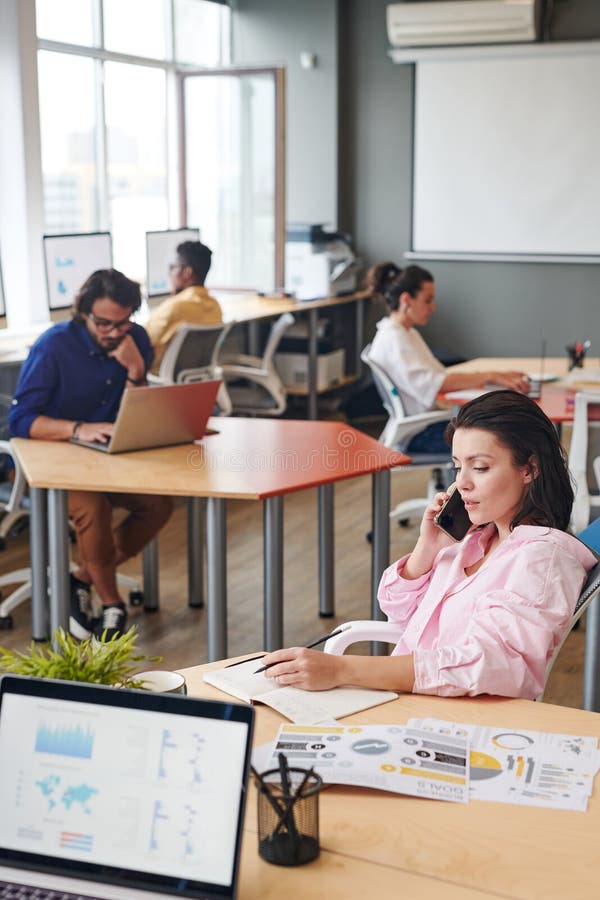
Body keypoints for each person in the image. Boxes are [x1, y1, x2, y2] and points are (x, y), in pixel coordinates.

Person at [259, 391, 596, 700]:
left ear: (530, 469)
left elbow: (493, 665)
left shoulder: (541, 558)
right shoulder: (476, 540)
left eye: (480, 467)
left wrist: (343, 669)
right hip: (408, 699)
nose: (461, 483)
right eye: (457, 466)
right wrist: (428, 548)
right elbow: (398, 610)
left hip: (451, 719)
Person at [9, 269, 173, 641]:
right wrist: (76, 429)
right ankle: (113, 603)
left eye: (123, 322)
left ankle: (80, 578)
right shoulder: (53, 346)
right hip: (49, 460)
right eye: (103, 323)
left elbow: (137, 411)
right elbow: (20, 420)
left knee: (159, 505)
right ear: (83, 312)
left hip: (105, 459)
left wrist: (135, 369)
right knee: (93, 508)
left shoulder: (135, 339)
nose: (114, 332)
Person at [367, 262, 530, 452]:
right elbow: (437, 383)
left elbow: (437, 376)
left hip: (426, 425)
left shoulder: (403, 333)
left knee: (504, 432)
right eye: (427, 300)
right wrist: (489, 376)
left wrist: (489, 375)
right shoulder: (395, 340)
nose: (433, 307)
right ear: (406, 299)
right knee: (505, 440)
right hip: (421, 434)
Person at [145, 240, 223, 375]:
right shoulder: (215, 306)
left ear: (187, 272)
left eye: (172, 267)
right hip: (194, 379)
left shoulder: (175, 307)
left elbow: (142, 340)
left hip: (159, 378)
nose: (169, 274)